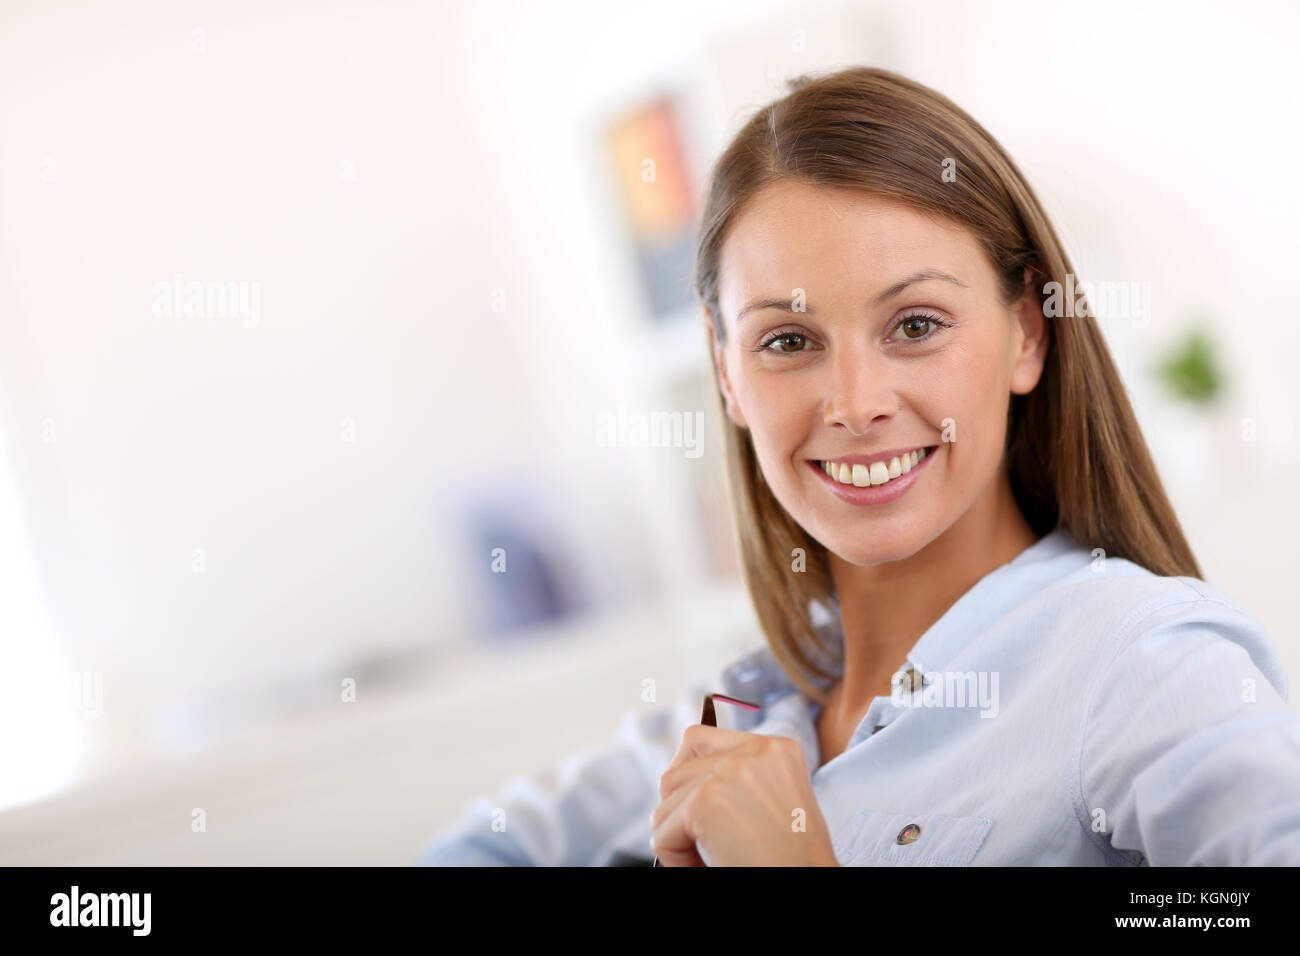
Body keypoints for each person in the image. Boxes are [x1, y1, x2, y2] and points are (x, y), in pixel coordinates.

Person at [416, 66, 1300, 866]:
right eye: (788, 341)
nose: (853, 403)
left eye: (915, 325)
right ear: (727, 373)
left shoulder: (1142, 661)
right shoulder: (741, 708)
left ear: (1028, 332)